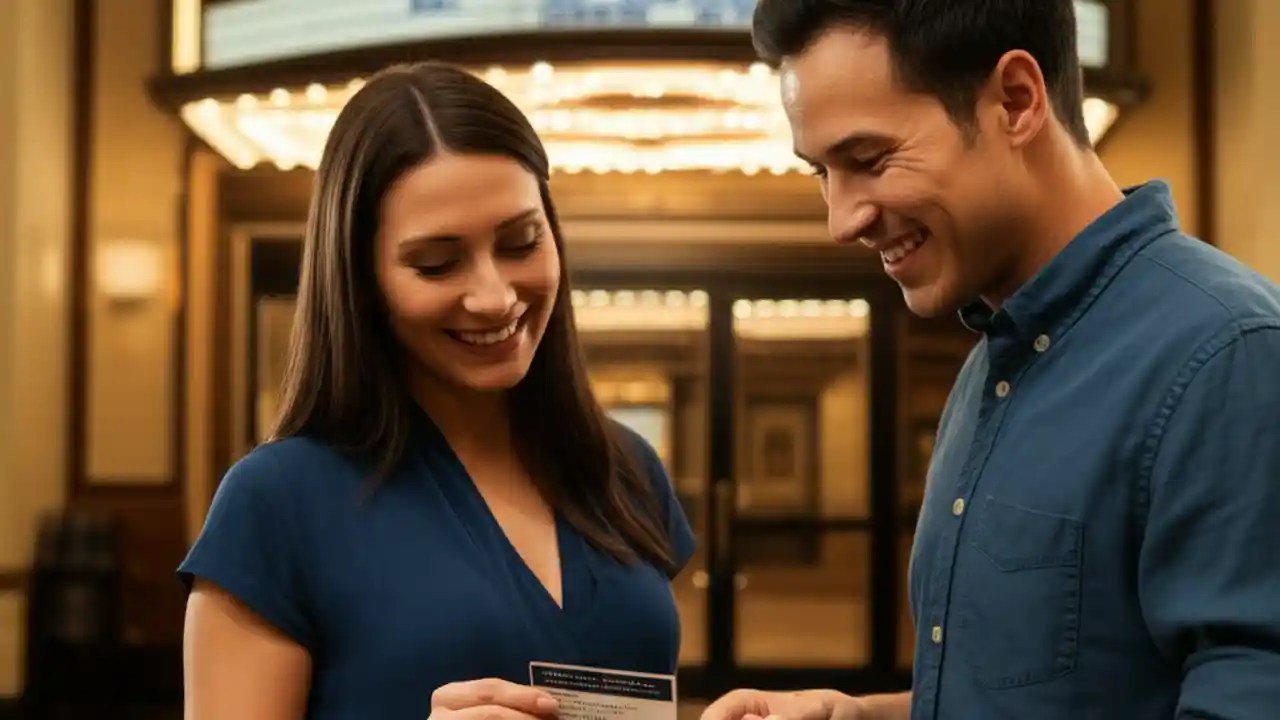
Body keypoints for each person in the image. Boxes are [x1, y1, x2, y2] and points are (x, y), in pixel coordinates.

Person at [702, 1, 1280, 719]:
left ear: (1016, 101)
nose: (841, 220)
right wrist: (860, 714)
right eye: (823, 171)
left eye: (869, 161)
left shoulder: (1228, 357)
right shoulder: (996, 363)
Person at [179, 61, 696, 719]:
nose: (494, 296)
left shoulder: (625, 468)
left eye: (521, 242)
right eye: (437, 264)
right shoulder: (278, 502)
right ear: (363, 279)